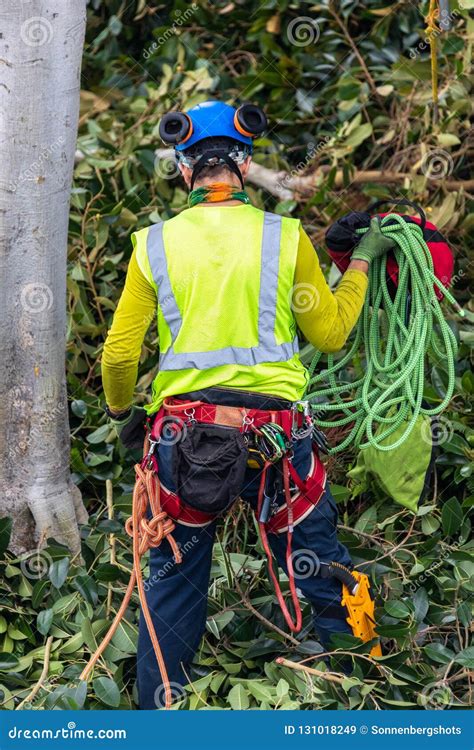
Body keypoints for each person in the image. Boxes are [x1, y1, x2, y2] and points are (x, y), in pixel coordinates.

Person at [101, 100, 395, 709]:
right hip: (280, 442)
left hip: (183, 442)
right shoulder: (284, 237)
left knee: (174, 581)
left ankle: (161, 722)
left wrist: (121, 413)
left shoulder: (151, 245)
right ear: (245, 163)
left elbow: (117, 357)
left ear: (185, 169)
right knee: (319, 566)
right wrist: (362, 259)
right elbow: (333, 332)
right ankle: (363, 698)